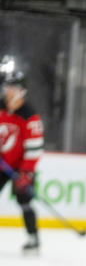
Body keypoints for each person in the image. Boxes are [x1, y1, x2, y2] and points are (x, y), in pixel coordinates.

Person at [0, 69, 44, 253]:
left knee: (24, 201)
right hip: (2, 164)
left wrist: (26, 172)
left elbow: (34, 148)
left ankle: (33, 239)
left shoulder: (29, 115)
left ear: (22, 90)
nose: (9, 90)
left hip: (21, 168)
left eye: (13, 87)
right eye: (7, 86)